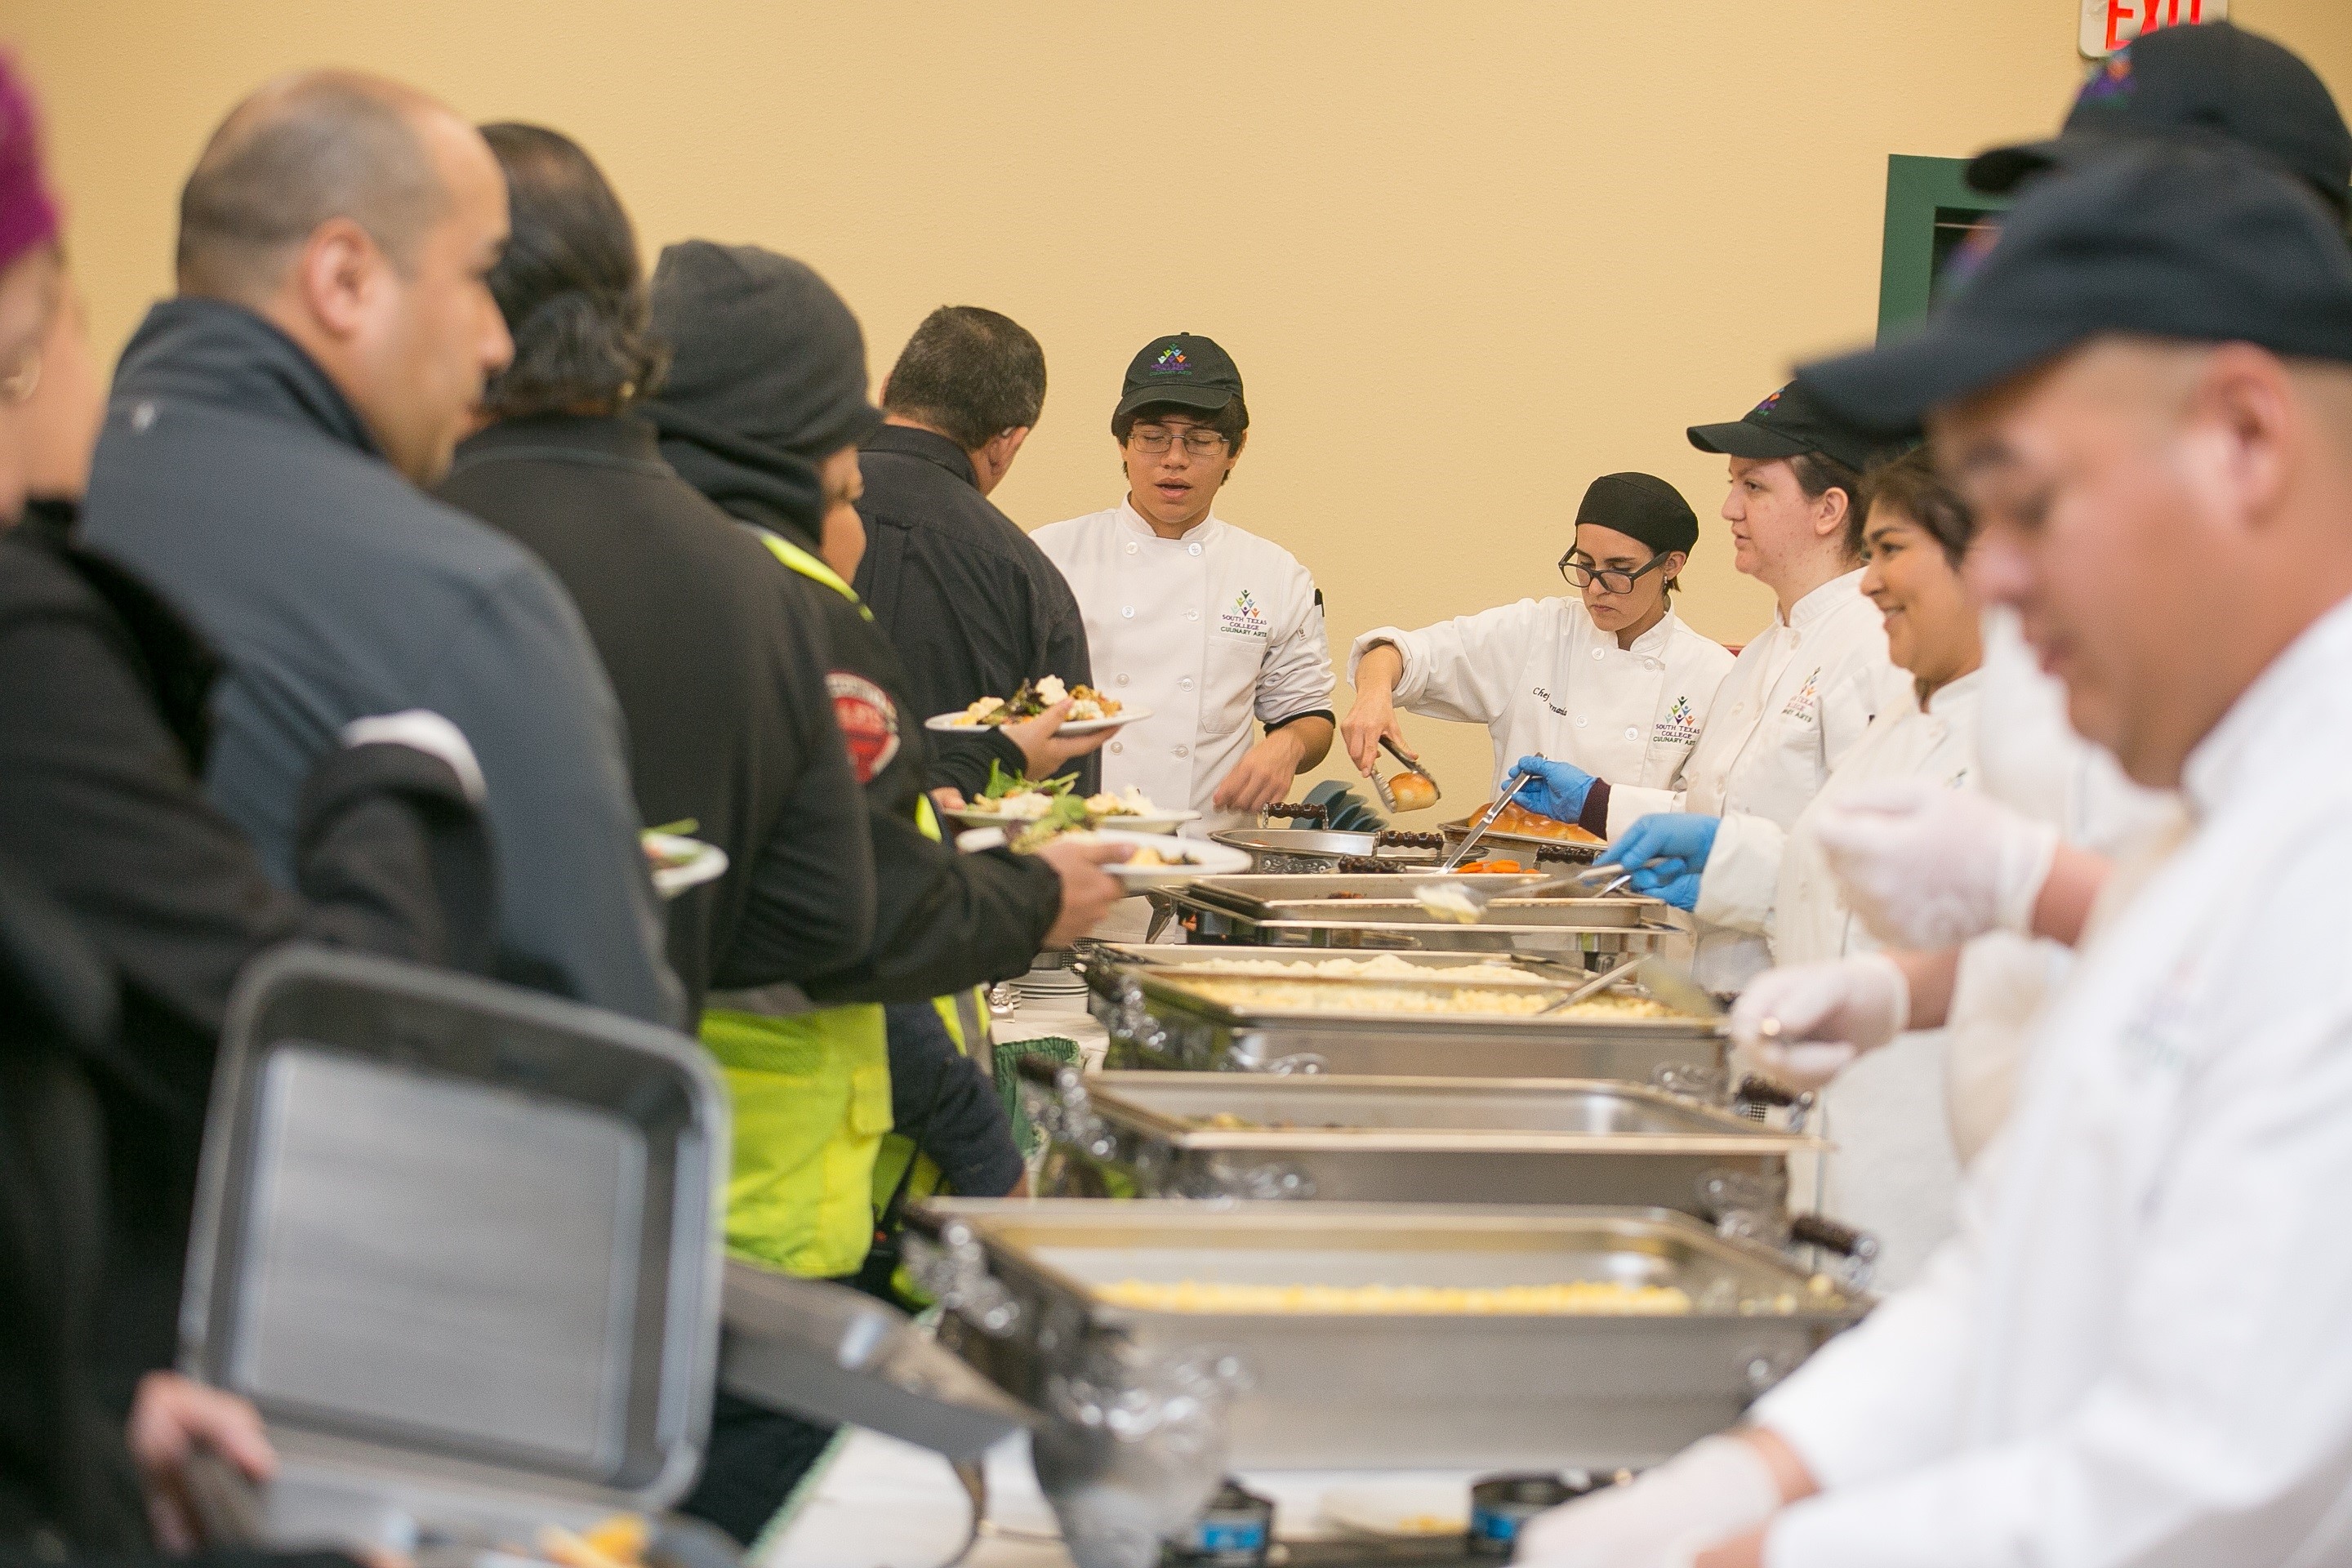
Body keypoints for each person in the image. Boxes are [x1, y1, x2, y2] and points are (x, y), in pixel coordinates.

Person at [1518, 145, 2352, 1568]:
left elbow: (2211, 1466)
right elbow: (2028, 1279)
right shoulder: (2220, 801)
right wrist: (1756, 1477)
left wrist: (1760, 1553)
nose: (2001, 582)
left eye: (2028, 505)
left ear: (2246, 442)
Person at [1732, 13, 2352, 1168]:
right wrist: (1904, 987)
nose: (1999, 578)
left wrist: (2035, 886)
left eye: (2034, 501)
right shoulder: (2180, 667)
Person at [0, 56, 502, 1423]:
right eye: (478, 274)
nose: (499, 338)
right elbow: (318, 1054)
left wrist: (79, 1412)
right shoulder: (23, 639)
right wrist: (390, 785)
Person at [642, 241, 1123, 1544]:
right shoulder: (792, 608)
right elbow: (841, 924)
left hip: (642, 1167)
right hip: (779, 1184)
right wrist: (982, 1143)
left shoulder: (626, 570)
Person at [76, 69, 680, 1027]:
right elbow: (603, 1060)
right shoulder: (461, 602)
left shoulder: (49, 521)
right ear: (345, 280)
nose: (495, 342)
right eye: (481, 277)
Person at [436, 123, 875, 1022]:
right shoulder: (751, 578)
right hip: (637, 1105)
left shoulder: (406, 542)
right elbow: (829, 914)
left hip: (418, 1098)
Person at [1513, 383, 1894, 990]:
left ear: (1829, 510)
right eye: (1732, 485)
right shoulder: (1762, 653)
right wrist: (1593, 801)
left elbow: (1880, 874)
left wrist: (1738, 879)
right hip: (1727, 992)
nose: (1729, 510)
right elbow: (1717, 815)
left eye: (1755, 487)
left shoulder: (1878, 646)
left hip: (1813, 1000)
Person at [1725, 451, 1987, 1285]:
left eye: (1892, 551)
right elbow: (1826, 881)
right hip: (1832, 1148)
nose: (1867, 583)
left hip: (1928, 1176)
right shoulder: (1910, 708)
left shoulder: (2039, 736)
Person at [1033, 334, 1335, 834]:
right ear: (1123, 446)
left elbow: (1309, 713)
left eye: (1199, 440)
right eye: (1153, 437)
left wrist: (1290, 745)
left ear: (1234, 451)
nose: (1174, 459)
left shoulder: (1275, 575)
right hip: (1076, 855)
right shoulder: (1048, 557)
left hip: (1213, 861)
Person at [1343, 471, 1733, 817]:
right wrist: (1374, 693)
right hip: (1514, 882)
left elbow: (1708, 815)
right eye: (1584, 564)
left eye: (1620, 570)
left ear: (1672, 565)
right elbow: (1403, 654)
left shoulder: (1714, 674)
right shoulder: (1538, 632)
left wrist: (1595, 803)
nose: (1595, 587)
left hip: (1634, 890)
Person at [853, 305, 1097, 787]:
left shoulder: (784, 509)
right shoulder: (1025, 575)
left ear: (884, 393)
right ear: (1008, 441)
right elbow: (1063, 791)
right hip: (953, 852)